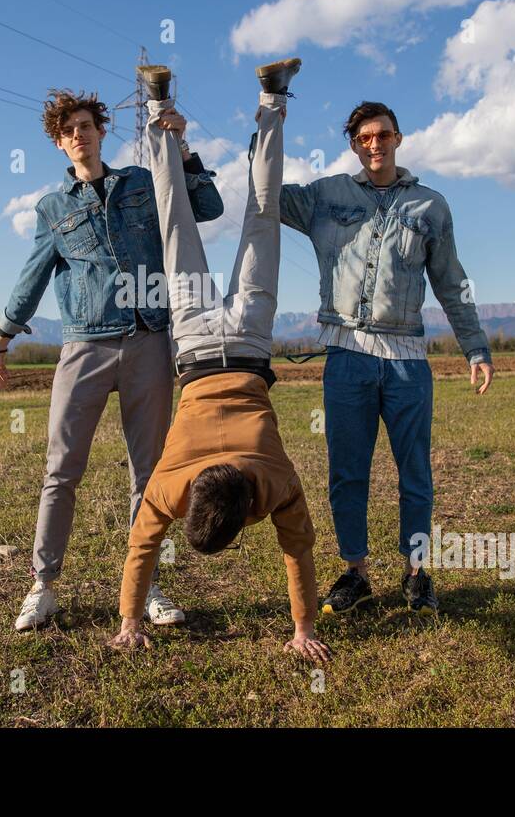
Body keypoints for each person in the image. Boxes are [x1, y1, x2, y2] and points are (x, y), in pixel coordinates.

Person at [108, 59, 330, 663]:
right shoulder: (171, 485)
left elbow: (299, 552)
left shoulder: (279, 483)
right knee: (175, 216)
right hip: (198, 343)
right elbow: (140, 551)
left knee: (262, 215)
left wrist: (304, 628)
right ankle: (158, 111)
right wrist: (128, 618)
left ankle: (272, 101)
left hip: (249, 341)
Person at [0, 88, 223, 631]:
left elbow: (206, 207)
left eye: (87, 124)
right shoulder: (53, 209)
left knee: (151, 473)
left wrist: (182, 147)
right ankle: (43, 586)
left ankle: (148, 587)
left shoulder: (142, 181)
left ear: (100, 131)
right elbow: (32, 277)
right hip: (84, 345)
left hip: (148, 341)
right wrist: (3, 338)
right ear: (59, 142)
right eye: (68, 129)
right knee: (61, 470)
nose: (79, 134)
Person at [279, 101, 495, 617]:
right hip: (347, 358)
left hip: (406, 361)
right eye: (364, 138)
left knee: (414, 471)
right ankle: (356, 573)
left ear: (398, 139)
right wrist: (270, 123)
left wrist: (475, 345)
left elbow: (450, 281)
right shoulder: (325, 196)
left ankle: (417, 574)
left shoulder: (430, 205)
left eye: (383, 135)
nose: (374, 144)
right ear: (354, 145)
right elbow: (263, 193)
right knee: (346, 473)